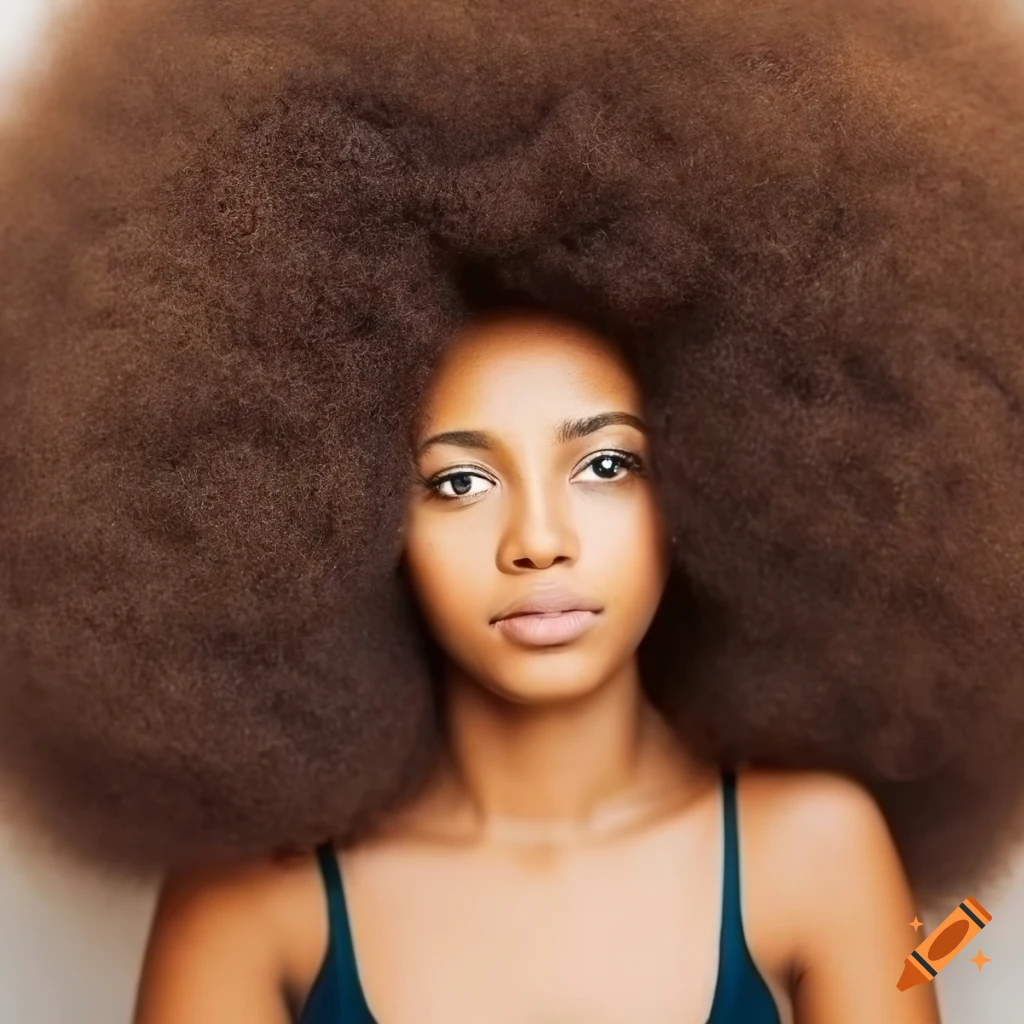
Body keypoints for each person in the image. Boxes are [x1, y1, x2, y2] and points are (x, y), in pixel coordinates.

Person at [1, 0, 1023, 1021]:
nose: (538, 540)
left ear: (721, 481)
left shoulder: (814, 852)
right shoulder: (254, 894)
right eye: (457, 482)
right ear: (332, 515)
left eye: (606, 465)